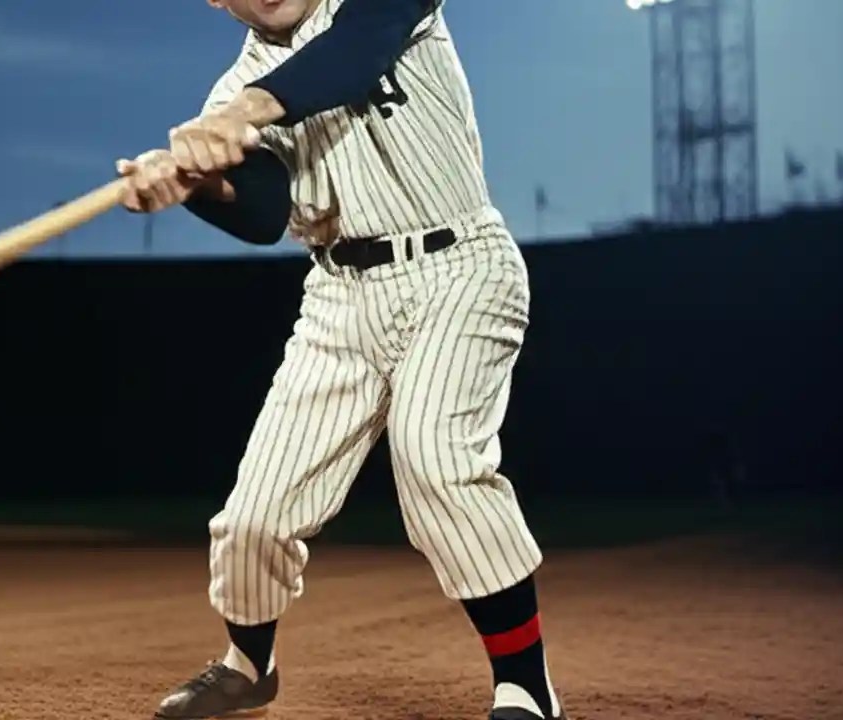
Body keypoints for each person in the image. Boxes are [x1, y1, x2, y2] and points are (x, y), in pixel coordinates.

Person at [116, 1, 568, 718]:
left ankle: (526, 685)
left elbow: (361, 45)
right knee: (254, 517)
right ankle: (248, 665)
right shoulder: (232, 91)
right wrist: (193, 183)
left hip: (461, 265)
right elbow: (266, 212)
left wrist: (247, 115)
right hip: (340, 295)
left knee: (437, 458)